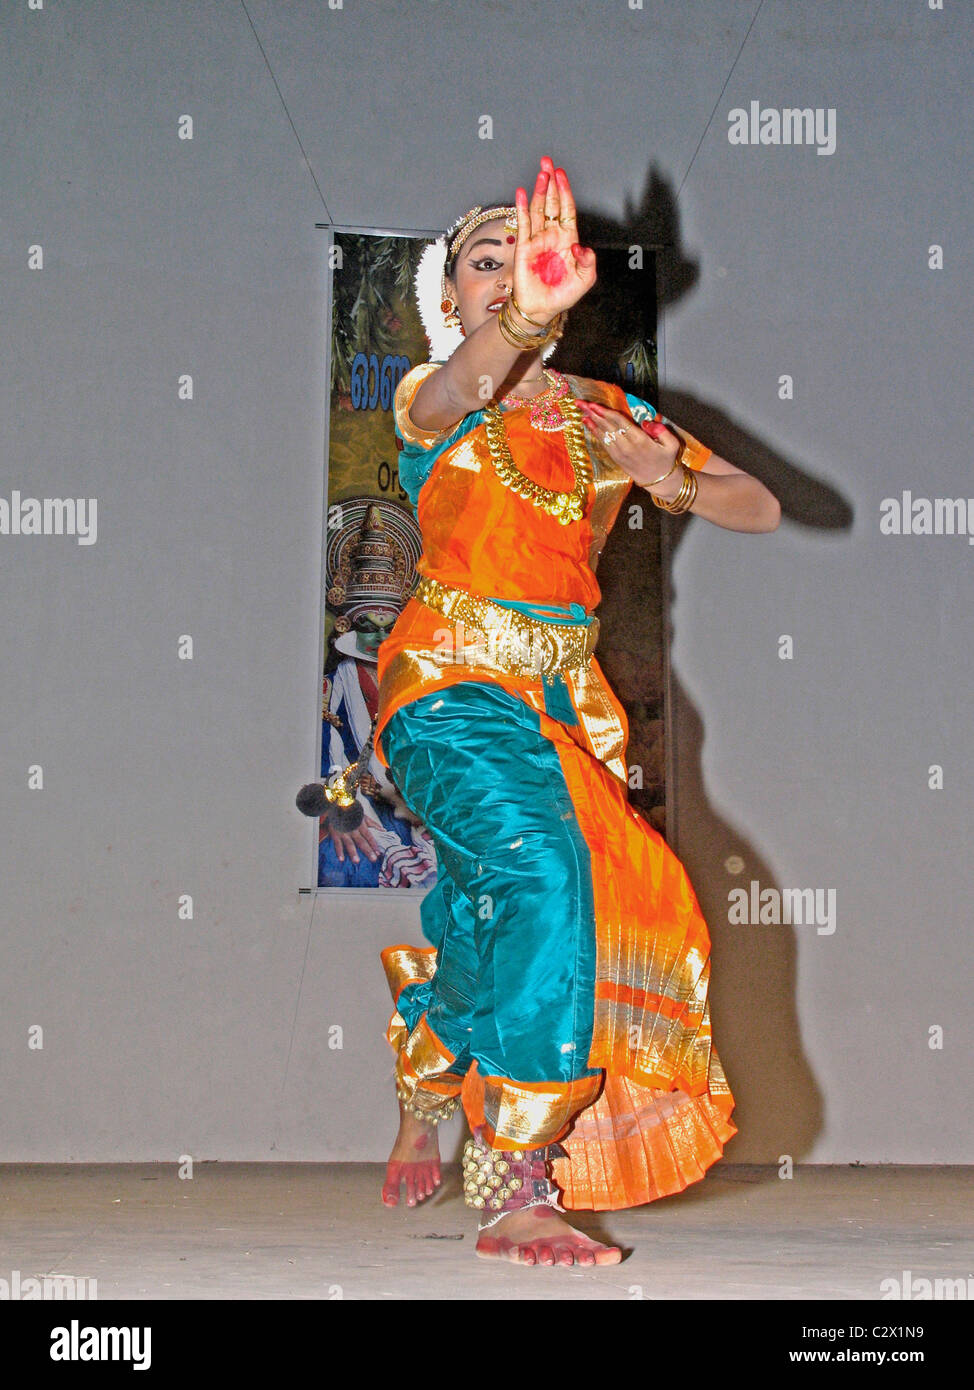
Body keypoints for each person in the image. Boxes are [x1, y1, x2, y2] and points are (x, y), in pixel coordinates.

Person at [372, 155, 781, 1266]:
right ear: (446, 300)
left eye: (522, 254)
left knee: (499, 899)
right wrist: (517, 322)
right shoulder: (433, 399)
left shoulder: (606, 413)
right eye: (480, 263)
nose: (505, 273)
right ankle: (513, 1176)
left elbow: (760, 503)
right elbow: (465, 385)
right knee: (547, 875)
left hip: (558, 707)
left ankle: (425, 1058)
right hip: (445, 687)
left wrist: (667, 480)